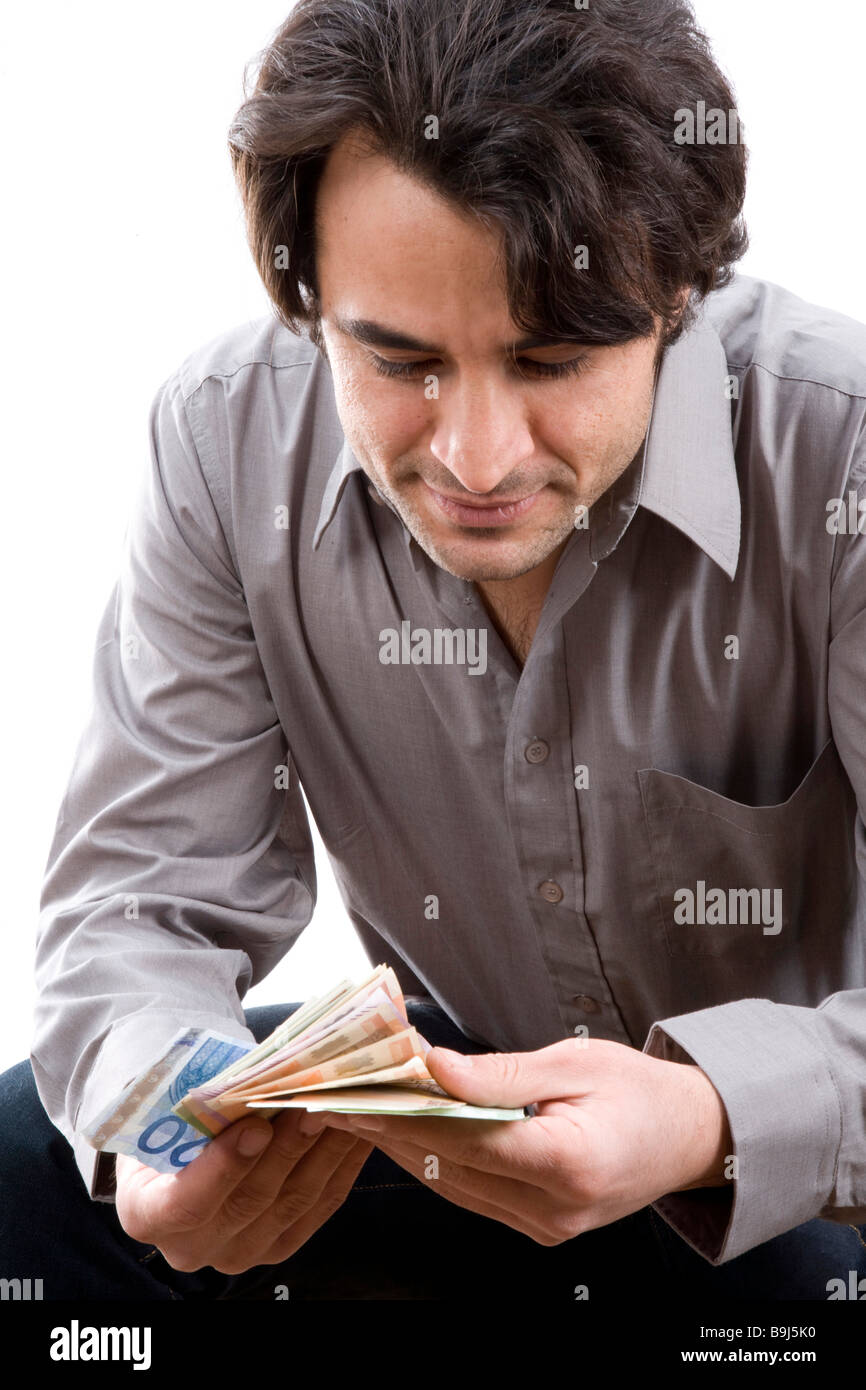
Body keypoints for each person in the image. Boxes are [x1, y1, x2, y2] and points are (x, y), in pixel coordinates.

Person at [3, 0, 866, 1301]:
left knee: (794, 1279)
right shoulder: (228, 445)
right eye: (395, 356)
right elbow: (143, 892)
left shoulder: (838, 453)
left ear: (680, 292)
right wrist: (170, 1111)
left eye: (552, 357)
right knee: (42, 1173)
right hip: (466, 1106)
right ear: (305, 297)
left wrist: (707, 1116)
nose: (473, 459)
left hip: (798, 1174)